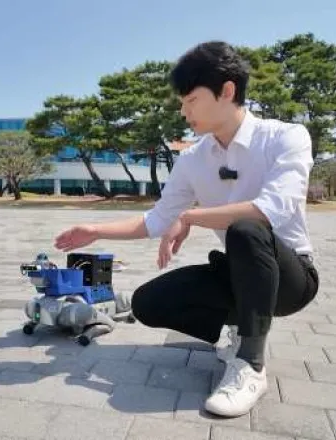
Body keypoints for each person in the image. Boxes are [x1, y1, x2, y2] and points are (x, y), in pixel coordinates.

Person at [53, 41, 319, 417]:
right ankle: (242, 331)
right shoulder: (193, 158)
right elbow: (157, 219)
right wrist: (96, 229)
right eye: (182, 101)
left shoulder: (285, 137)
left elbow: (268, 211)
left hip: (291, 279)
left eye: (191, 99)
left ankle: (250, 365)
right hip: (240, 274)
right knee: (148, 303)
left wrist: (192, 217)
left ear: (227, 91)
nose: (183, 110)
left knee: (246, 229)